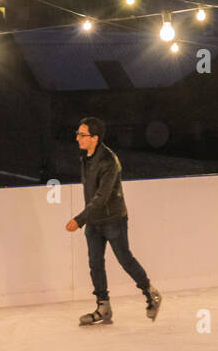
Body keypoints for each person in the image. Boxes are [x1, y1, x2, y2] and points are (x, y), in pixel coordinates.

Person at [64, 117, 162, 326]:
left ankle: (150, 293)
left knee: (125, 259)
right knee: (95, 263)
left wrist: (79, 220)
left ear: (95, 138)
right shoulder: (86, 158)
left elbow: (102, 197)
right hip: (94, 221)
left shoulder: (109, 161)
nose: (78, 138)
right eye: (78, 133)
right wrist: (87, 220)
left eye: (82, 135)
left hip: (113, 219)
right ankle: (103, 307)